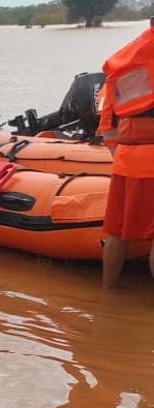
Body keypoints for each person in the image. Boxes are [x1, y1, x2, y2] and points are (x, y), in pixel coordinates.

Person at [99, 17, 154, 289]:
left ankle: (107, 296)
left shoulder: (122, 60)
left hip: (126, 158)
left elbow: (107, 119)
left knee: (115, 233)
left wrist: (117, 154)